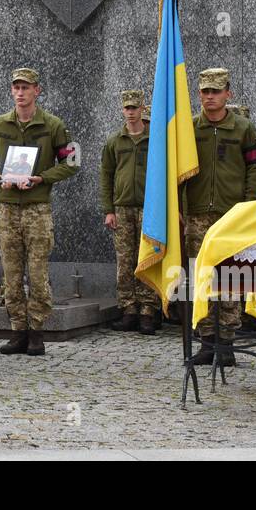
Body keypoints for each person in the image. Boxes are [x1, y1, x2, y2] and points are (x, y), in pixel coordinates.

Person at [0, 67, 79, 356]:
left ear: (37, 90)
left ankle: (37, 331)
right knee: (11, 274)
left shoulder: (53, 126)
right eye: (16, 87)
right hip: (8, 207)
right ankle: (17, 331)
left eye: (26, 87)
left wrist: (42, 178)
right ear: (11, 91)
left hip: (37, 207)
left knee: (37, 273)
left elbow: (72, 162)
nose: (20, 93)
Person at [181, 68, 256, 365]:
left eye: (215, 92)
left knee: (231, 277)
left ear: (227, 93)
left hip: (233, 215)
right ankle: (207, 341)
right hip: (197, 214)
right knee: (201, 277)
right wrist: (179, 211)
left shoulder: (244, 128)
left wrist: (248, 209)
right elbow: (177, 174)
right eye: (205, 92)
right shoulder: (189, 128)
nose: (210, 97)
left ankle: (227, 342)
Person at [100, 92, 161, 333]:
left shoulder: (155, 138)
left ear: (142, 108)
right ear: (122, 110)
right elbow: (106, 175)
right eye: (127, 108)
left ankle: (148, 309)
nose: (131, 112)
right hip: (123, 207)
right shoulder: (115, 141)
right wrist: (109, 209)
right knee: (125, 260)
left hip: (150, 207)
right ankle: (128, 309)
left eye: (135, 107)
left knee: (147, 258)